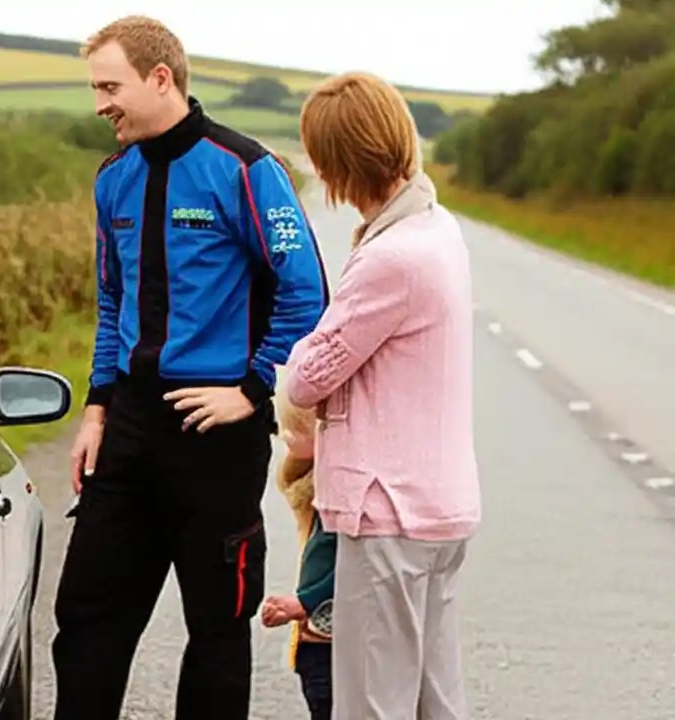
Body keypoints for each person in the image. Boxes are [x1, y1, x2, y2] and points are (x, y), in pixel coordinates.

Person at [51, 15, 329, 720]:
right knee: (87, 619)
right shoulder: (113, 179)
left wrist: (252, 387)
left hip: (216, 436)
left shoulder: (244, 168)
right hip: (131, 431)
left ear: (160, 78)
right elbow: (111, 301)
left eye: (110, 86)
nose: (99, 104)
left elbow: (306, 293)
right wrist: (96, 409)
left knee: (216, 629)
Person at [283, 71, 481, 720]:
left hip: (386, 512)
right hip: (438, 508)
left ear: (336, 162)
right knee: (433, 702)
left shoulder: (390, 258)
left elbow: (309, 376)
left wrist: (301, 354)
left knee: (371, 706)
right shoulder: (438, 228)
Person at [261, 374, 334, 719]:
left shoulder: (339, 500)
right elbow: (292, 486)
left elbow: (350, 565)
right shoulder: (316, 486)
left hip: (331, 642)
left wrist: (303, 602)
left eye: (294, 431)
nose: (285, 438)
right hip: (317, 637)